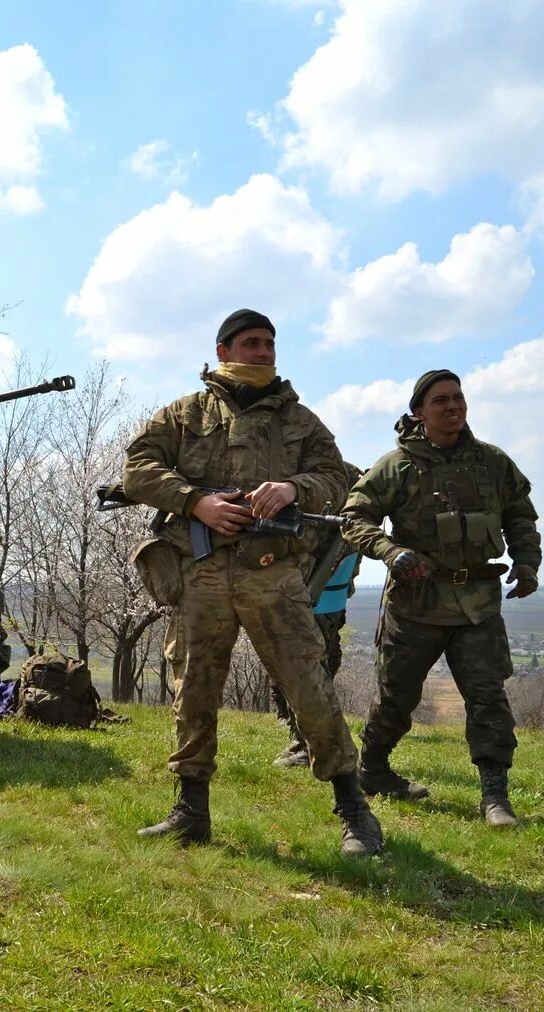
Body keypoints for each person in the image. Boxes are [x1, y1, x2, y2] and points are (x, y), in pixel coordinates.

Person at [123, 309, 382, 857]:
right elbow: (137, 468)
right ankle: (191, 810)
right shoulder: (184, 414)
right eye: (250, 343)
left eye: (269, 343)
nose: (263, 352)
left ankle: (355, 811)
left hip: (273, 574)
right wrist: (198, 502)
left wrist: (293, 488)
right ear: (223, 351)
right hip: (202, 574)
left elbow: (337, 479)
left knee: (309, 687)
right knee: (193, 690)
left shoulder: (300, 420)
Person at [341, 370, 539, 827]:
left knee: (488, 698)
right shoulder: (397, 466)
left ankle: (495, 796)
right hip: (416, 605)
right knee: (396, 697)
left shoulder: (493, 463)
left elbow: (520, 514)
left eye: (458, 398)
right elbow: (354, 519)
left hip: (478, 604)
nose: (453, 407)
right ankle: (373, 769)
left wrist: (528, 562)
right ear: (419, 412)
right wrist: (392, 551)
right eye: (441, 401)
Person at [273, 463, 364, 768]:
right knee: (297, 668)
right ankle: (302, 738)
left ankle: (306, 745)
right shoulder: (336, 475)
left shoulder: (336, 477)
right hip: (303, 592)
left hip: (320, 594)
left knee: (312, 669)